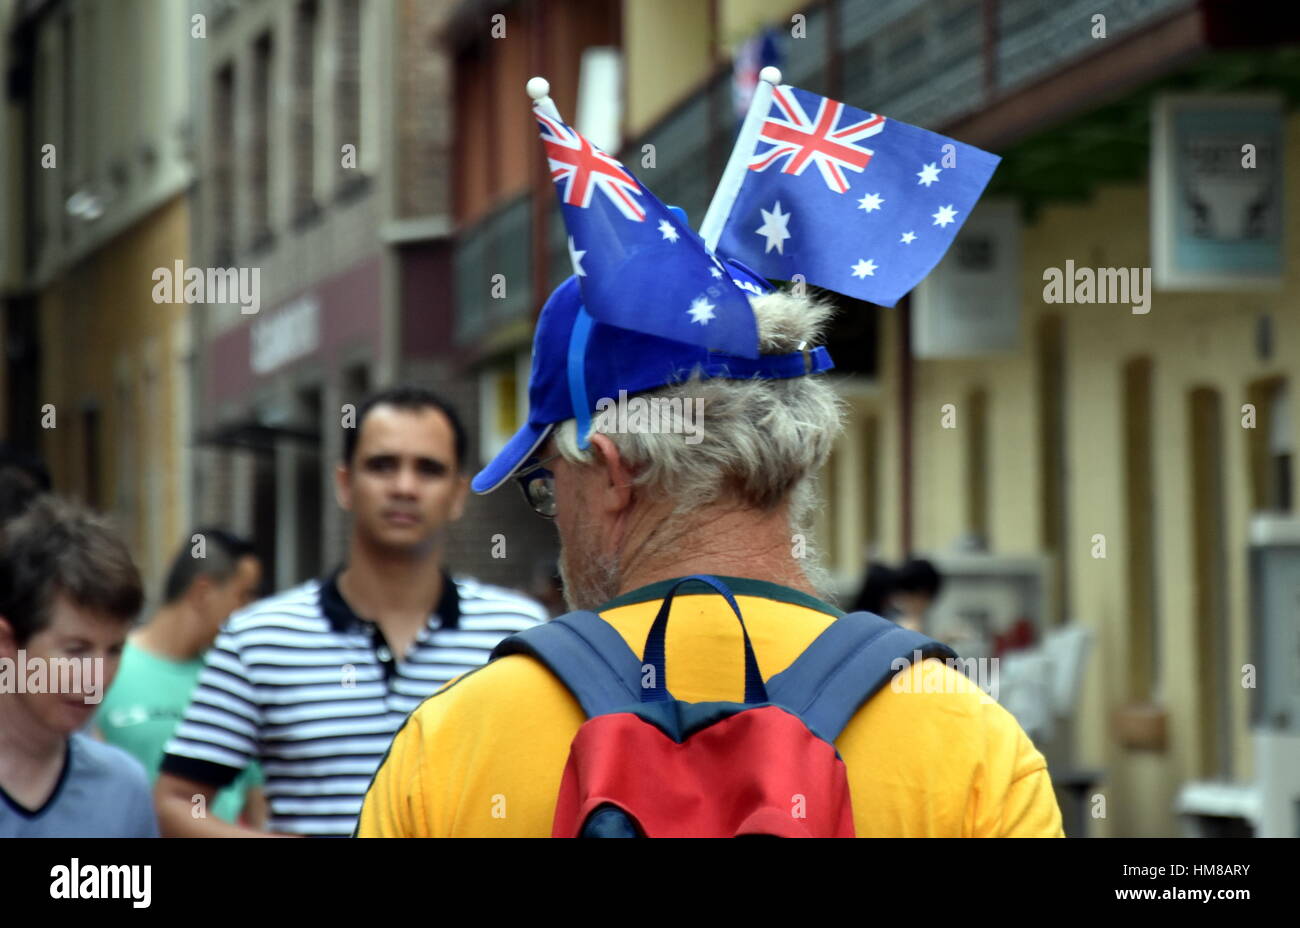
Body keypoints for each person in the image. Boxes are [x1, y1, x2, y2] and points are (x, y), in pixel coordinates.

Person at [357, 274, 1065, 837]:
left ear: (610, 471)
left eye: (548, 486)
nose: (557, 520)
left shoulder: (455, 739)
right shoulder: (967, 737)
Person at [155, 387, 547, 836]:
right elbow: (177, 803)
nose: (404, 487)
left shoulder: (516, 633)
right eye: (382, 465)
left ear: (458, 494)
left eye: (428, 469)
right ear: (345, 483)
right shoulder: (258, 637)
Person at [0, 496, 157, 837]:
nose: (98, 679)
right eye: (76, 651)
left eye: (115, 650)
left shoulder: (122, 791)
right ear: (7, 643)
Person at [97, 528, 267, 827]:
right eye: (243, 595)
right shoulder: (108, 667)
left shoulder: (234, 680)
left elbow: (259, 807)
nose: (250, 612)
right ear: (203, 592)